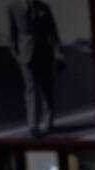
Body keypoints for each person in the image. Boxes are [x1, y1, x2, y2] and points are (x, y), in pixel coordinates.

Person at [8, 0, 64, 139]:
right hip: (26, 54)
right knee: (30, 87)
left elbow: (53, 31)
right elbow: (12, 34)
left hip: (45, 53)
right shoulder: (13, 8)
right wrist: (16, 55)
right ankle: (32, 126)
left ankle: (48, 123)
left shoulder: (44, 7)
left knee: (46, 89)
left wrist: (58, 53)